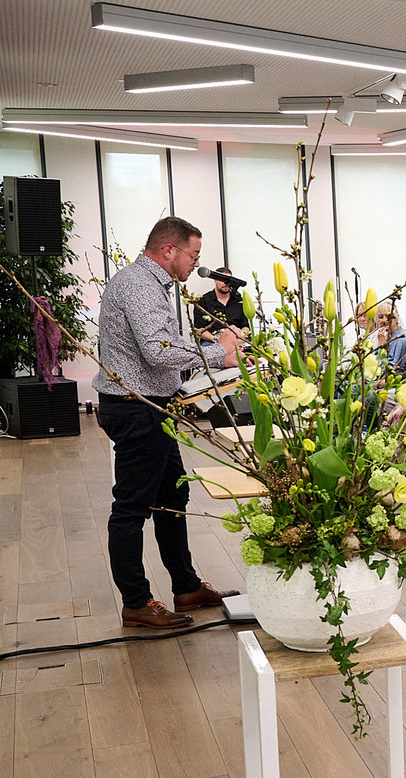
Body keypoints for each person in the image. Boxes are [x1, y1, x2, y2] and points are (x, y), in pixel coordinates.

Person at [92, 216, 241, 629]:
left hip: (153, 406)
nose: (196, 263)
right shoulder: (140, 285)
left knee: (173, 497)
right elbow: (158, 351)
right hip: (136, 408)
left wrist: (213, 349)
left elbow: (162, 344)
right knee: (132, 507)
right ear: (168, 250)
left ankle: (187, 586)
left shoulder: (150, 282)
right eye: (193, 254)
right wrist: (220, 353)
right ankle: (136, 603)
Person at [190, 265, 247, 336]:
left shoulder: (238, 300)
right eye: (222, 279)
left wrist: (241, 336)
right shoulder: (203, 301)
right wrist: (215, 339)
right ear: (215, 280)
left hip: (236, 338)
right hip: (212, 339)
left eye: (228, 280)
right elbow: (199, 329)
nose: (225, 283)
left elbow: (245, 325)